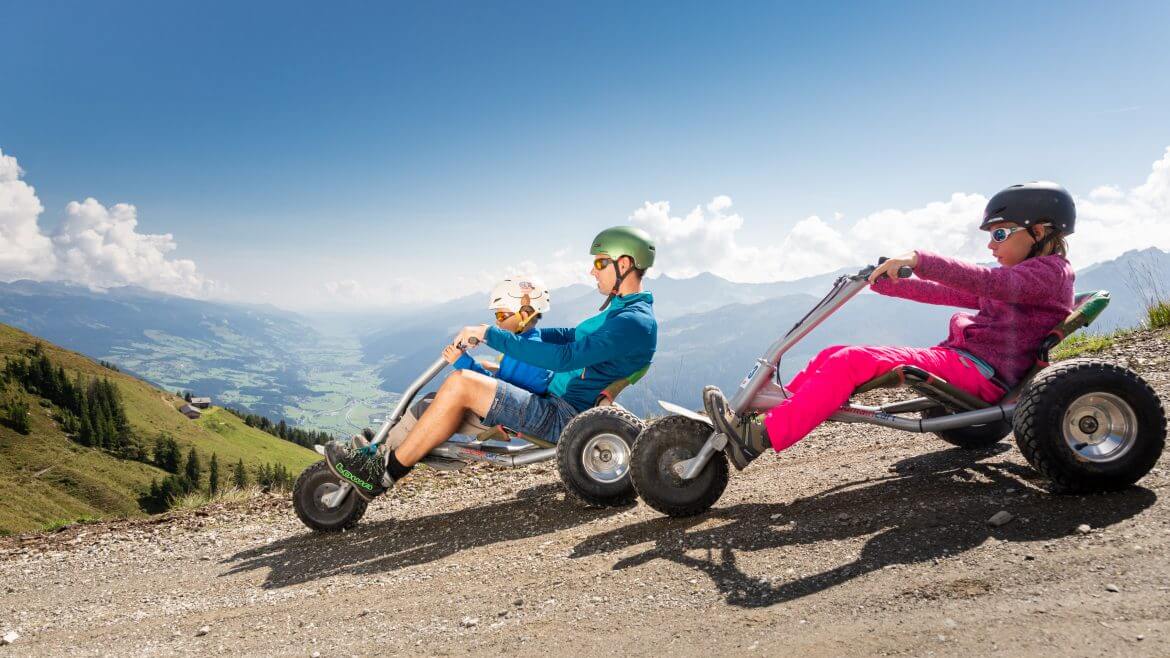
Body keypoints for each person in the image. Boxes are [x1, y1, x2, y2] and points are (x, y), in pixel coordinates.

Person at [707, 181, 1077, 469]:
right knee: (832, 354)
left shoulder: (1047, 275)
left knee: (848, 361)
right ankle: (777, 414)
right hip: (968, 362)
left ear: (1040, 231)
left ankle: (757, 438)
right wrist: (893, 286)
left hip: (979, 371)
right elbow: (951, 295)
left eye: (1000, 234)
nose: (991, 246)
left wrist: (919, 259)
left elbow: (984, 282)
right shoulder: (1027, 277)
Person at [324, 226, 659, 500]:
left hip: (564, 415)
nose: (592, 271)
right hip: (554, 403)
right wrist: (516, 336)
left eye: (600, 263)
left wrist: (491, 334)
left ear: (625, 264)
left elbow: (566, 357)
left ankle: (382, 475)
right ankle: (380, 452)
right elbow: (568, 336)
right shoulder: (619, 312)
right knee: (445, 397)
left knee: (462, 383)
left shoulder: (633, 321)